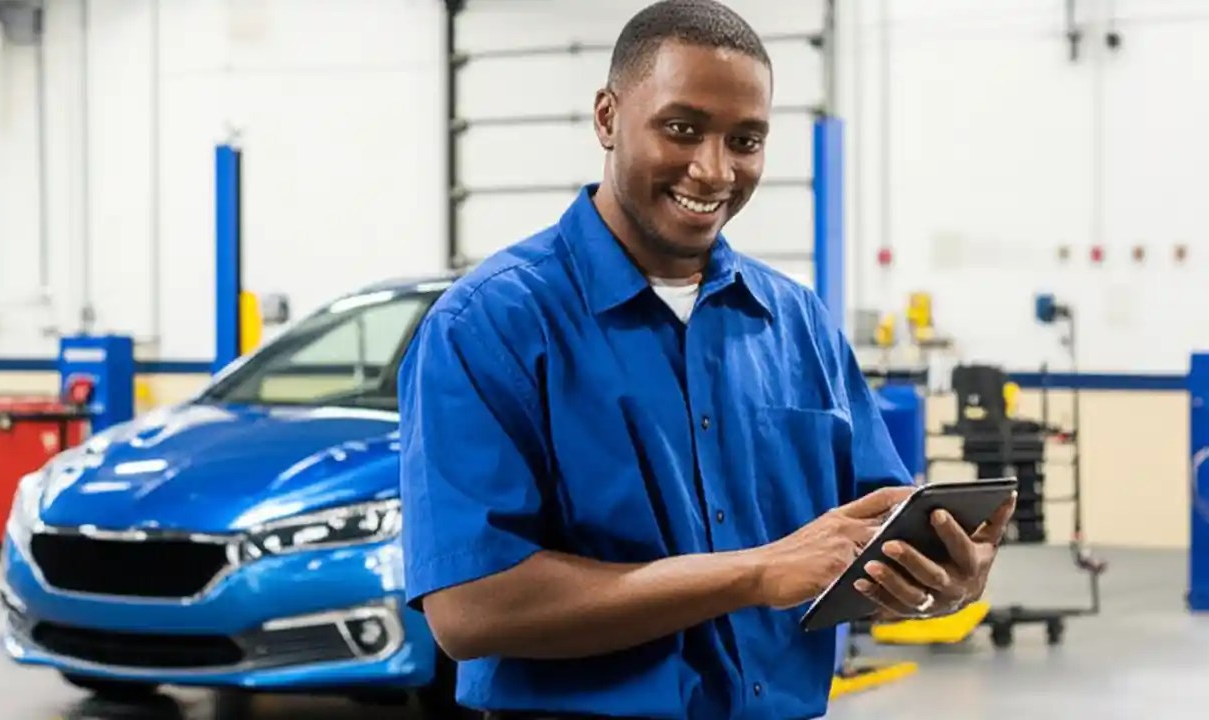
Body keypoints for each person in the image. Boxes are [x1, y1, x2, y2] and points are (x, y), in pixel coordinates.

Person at [397, 1, 1015, 718]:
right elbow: (472, 611)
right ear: (607, 117)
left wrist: (945, 578)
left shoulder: (796, 324)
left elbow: (861, 546)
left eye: (745, 140)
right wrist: (753, 574)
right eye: (682, 128)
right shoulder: (489, 327)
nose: (715, 170)